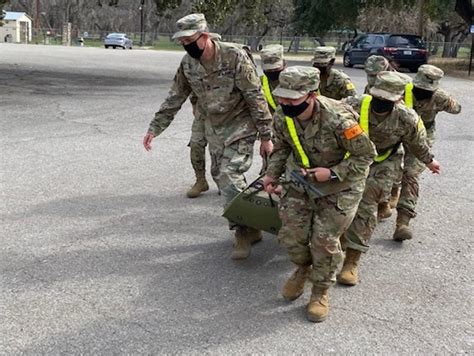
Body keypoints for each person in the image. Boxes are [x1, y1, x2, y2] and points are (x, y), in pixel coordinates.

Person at [142, 13, 273, 259]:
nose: (185, 45)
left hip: (241, 124)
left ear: (204, 36)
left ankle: (242, 231)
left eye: (189, 39)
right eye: (181, 41)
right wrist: (155, 128)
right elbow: (175, 97)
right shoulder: (188, 63)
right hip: (214, 127)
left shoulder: (234, 56)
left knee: (229, 174)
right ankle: (252, 225)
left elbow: (255, 97)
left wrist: (266, 136)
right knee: (220, 178)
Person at [262, 66, 376, 322]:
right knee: (292, 235)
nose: (285, 102)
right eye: (282, 97)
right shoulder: (283, 115)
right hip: (301, 180)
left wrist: (333, 172)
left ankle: (320, 290)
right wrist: (271, 173)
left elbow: (366, 155)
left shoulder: (339, 119)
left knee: (323, 241)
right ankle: (303, 268)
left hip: (340, 185)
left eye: (293, 98)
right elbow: (281, 146)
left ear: (311, 95)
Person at [339, 71, 441, 286]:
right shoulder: (353, 105)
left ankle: (352, 261)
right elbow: (327, 116)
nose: (381, 103)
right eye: (378, 98)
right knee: (339, 201)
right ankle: (339, 239)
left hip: (385, 161)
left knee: (367, 203)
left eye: (387, 100)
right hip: (353, 158)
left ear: (399, 99)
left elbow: (417, 144)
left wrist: (430, 161)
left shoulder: (407, 118)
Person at [393, 64, 461, 241]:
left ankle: (403, 222)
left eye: (427, 90)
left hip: (423, 137)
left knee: (411, 174)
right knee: (388, 168)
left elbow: (457, 109)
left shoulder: (440, 97)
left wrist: (447, 101)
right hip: (398, 133)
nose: (422, 93)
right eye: (419, 89)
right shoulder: (401, 90)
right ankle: (390, 195)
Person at [363, 55, 401, 220]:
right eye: (369, 75)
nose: (371, 79)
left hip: (401, 129)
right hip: (377, 131)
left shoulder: (399, 84)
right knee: (375, 170)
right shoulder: (370, 87)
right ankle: (381, 200)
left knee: (396, 167)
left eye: (375, 76)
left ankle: (391, 195)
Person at [186, 33, 222, 199]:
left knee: (218, 149)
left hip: (223, 113)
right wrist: (194, 103)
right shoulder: (193, 62)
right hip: (202, 110)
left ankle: (223, 180)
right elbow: (192, 86)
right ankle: (200, 180)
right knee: (196, 144)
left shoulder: (228, 60)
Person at [259, 44, 286, 114]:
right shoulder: (258, 83)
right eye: (268, 70)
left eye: (276, 69)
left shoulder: (296, 81)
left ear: (284, 63)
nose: (272, 72)